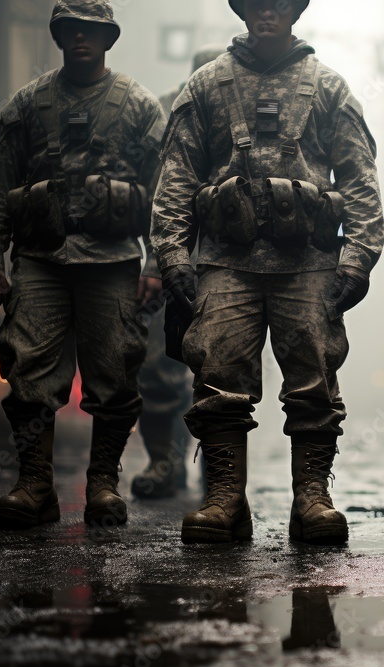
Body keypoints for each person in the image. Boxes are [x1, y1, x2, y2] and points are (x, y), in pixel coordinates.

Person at [152, 0, 384, 545]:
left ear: (295, 12)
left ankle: (313, 500)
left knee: (314, 380)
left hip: (306, 263)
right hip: (225, 262)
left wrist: (358, 257)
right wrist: (173, 256)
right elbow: (177, 178)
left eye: (278, 4)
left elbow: (359, 178)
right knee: (217, 376)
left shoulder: (329, 87)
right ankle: (225, 500)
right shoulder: (206, 87)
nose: (267, 13)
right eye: (257, 4)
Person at [0, 0, 167, 529]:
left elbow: (163, 192)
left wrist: (157, 265)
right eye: (71, 30)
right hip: (41, 260)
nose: (81, 38)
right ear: (59, 36)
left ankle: (103, 484)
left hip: (112, 262)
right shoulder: (27, 104)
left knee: (114, 372)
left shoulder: (138, 106)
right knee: (29, 369)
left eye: (92, 31)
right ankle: (34, 484)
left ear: (108, 38)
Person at [131, 45, 225, 501]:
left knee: (220, 372)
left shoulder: (242, 111)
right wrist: (152, 263)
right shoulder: (166, 114)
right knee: (158, 369)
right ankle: (164, 464)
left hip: (226, 263)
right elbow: (151, 194)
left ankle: (220, 473)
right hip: (167, 260)